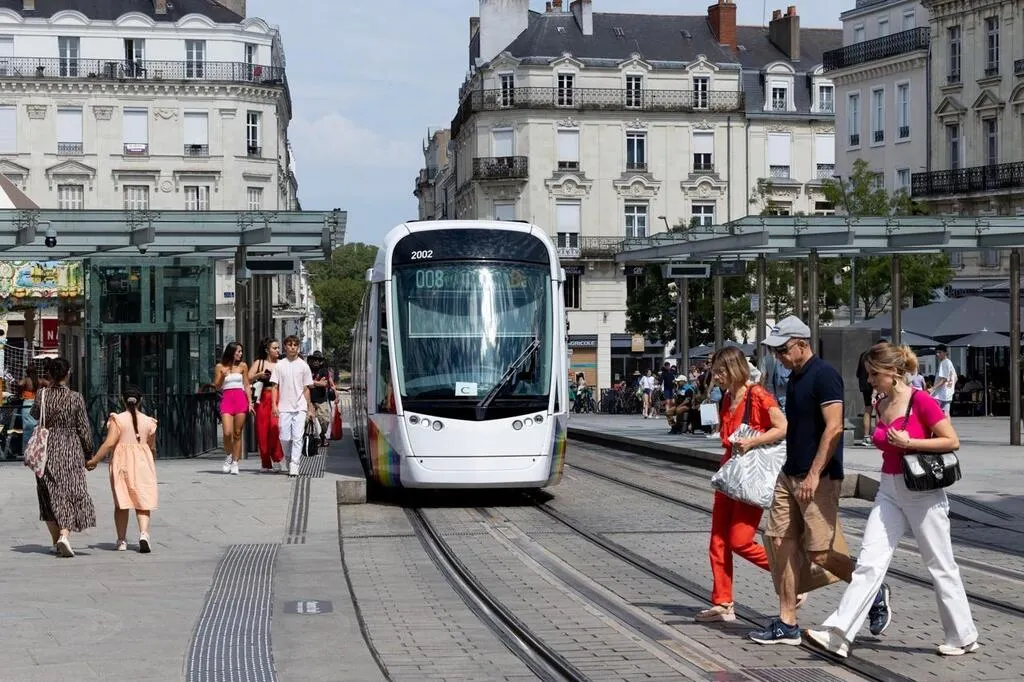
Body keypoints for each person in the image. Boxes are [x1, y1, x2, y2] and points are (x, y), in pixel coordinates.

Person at [805, 342, 978, 658]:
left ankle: (963, 636)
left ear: (893, 372)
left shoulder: (921, 400)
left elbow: (951, 440)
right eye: (868, 375)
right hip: (888, 488)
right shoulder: (881, 402)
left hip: (922, 491)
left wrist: (911, 442)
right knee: (869, 562)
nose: (870, 380)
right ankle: (839, 633)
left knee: (940, 564)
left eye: (874, 374)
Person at [750, 316, 891, 645]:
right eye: (775, 351)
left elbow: (834, 427)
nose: (778, 357)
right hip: (789, 473)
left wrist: (814, 474)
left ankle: (873, 590)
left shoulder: (824, 375)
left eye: (783, 350)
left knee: (821, 553)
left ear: (802, 344)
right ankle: (787, 622)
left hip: (819, 477)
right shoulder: (795, 377)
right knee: (778, 542)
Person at [695, 346, 787, 623]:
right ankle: (723, 602)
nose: (717, 377)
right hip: (730, 473)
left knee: (740, 540)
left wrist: (753, 441)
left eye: (720, 372)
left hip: (751, 475)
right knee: (718, 540)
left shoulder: (757, 394)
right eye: (715, 372)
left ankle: (790, 573)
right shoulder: (727, 398)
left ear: (734, 369)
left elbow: (783, 427)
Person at [31, 357, 95, 558]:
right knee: (71, 492)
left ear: (50, 373)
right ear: (68, 374)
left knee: (49, 495)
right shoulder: (75, 397)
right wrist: (88, 453)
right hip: (71, 449)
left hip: (46, 450)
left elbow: (35, 415)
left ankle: (56, 541)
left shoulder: (42, 395)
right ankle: (64, 536)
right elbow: (83, 428)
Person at [85, 386, 158, 553]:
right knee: (142, 501)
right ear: (140, 401)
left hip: (122, 463)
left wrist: (94, 460)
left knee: (122, 502)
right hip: (143, 463)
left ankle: (121, 540)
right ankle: (144, 533)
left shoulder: (118, 419)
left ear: (122, 400)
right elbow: (151, 446)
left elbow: (110, 443)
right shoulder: (149, 421)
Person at [270, 335, 316, 477]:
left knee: (297, 437)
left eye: (295, 345)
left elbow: (306, 388)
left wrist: (309, 408)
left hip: (300, 406)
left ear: (298, 347)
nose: (292, 347)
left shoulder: (304, 366)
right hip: (284, 407)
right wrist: (274, 405)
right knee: (284, 436)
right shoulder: (279, 365)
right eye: (290, 345)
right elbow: (274, 386)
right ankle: (288, 457)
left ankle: (295, 464)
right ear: (285, 347)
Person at [213, 342, 253, 475]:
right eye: (238, 351)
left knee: (237, 433)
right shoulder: (220, 366)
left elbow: (246, 385)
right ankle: (229, 455)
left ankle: (235, 462)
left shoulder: (243, 366)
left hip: (240, 399)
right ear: (231, 352)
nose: (240, 354)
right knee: (227, 432)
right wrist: (223, 376)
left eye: (241, 351)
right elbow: (217, 386)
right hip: (227, 400)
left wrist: (250, 402)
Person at [250, 338, 286, 473]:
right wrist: (259, 375)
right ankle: (265, 462)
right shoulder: (259, 363)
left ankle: (277, 458)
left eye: (278, 348)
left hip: (279, 397)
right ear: (267, 350)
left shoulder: (282, 364)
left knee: (275, 428)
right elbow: (247, 378)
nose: (278, 350)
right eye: (274, 348)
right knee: (262, 431)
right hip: (264, 398)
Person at [20, 364, 47, 453]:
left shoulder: (26, 380)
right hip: (38, 402)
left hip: (27, 403)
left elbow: (20, 384)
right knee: (37, 427)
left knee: (27, 428)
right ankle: (37, 449)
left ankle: (27, 450)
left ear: (27, 372)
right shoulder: (39, 380)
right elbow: (49, 383)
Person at [309, 351, 333, 446]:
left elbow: (324, 383)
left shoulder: (323, 370)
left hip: (321, 399)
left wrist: (312, 382)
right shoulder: (307, 369)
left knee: (324, 420)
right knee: (310, 420)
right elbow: (304, 382)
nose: (316, 361)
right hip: (309, 400)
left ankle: (323, 435)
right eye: (314, 359)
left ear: (321, 362)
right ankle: (315, 439)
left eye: (318, 360)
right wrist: (317, 383)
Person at [931, 345, 957, 416]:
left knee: (933, 413)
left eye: (940, 352)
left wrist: (933, 388)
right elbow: (955, 377)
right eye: (936, 352)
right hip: (948, 393)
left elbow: (944, 379)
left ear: (945, 353)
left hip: (939, 394)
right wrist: (951, 387)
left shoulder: (943, 363)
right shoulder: (949, 362)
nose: (937, 354)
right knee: (945, 415)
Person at [856, 348, 874, 447]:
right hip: (874, 386)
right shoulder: (874, 356)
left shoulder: (863, 355)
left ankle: (866, 436)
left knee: (867, 410)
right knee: (879, 410)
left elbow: (857, 373)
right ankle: (878, 435)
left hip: (864, 386)